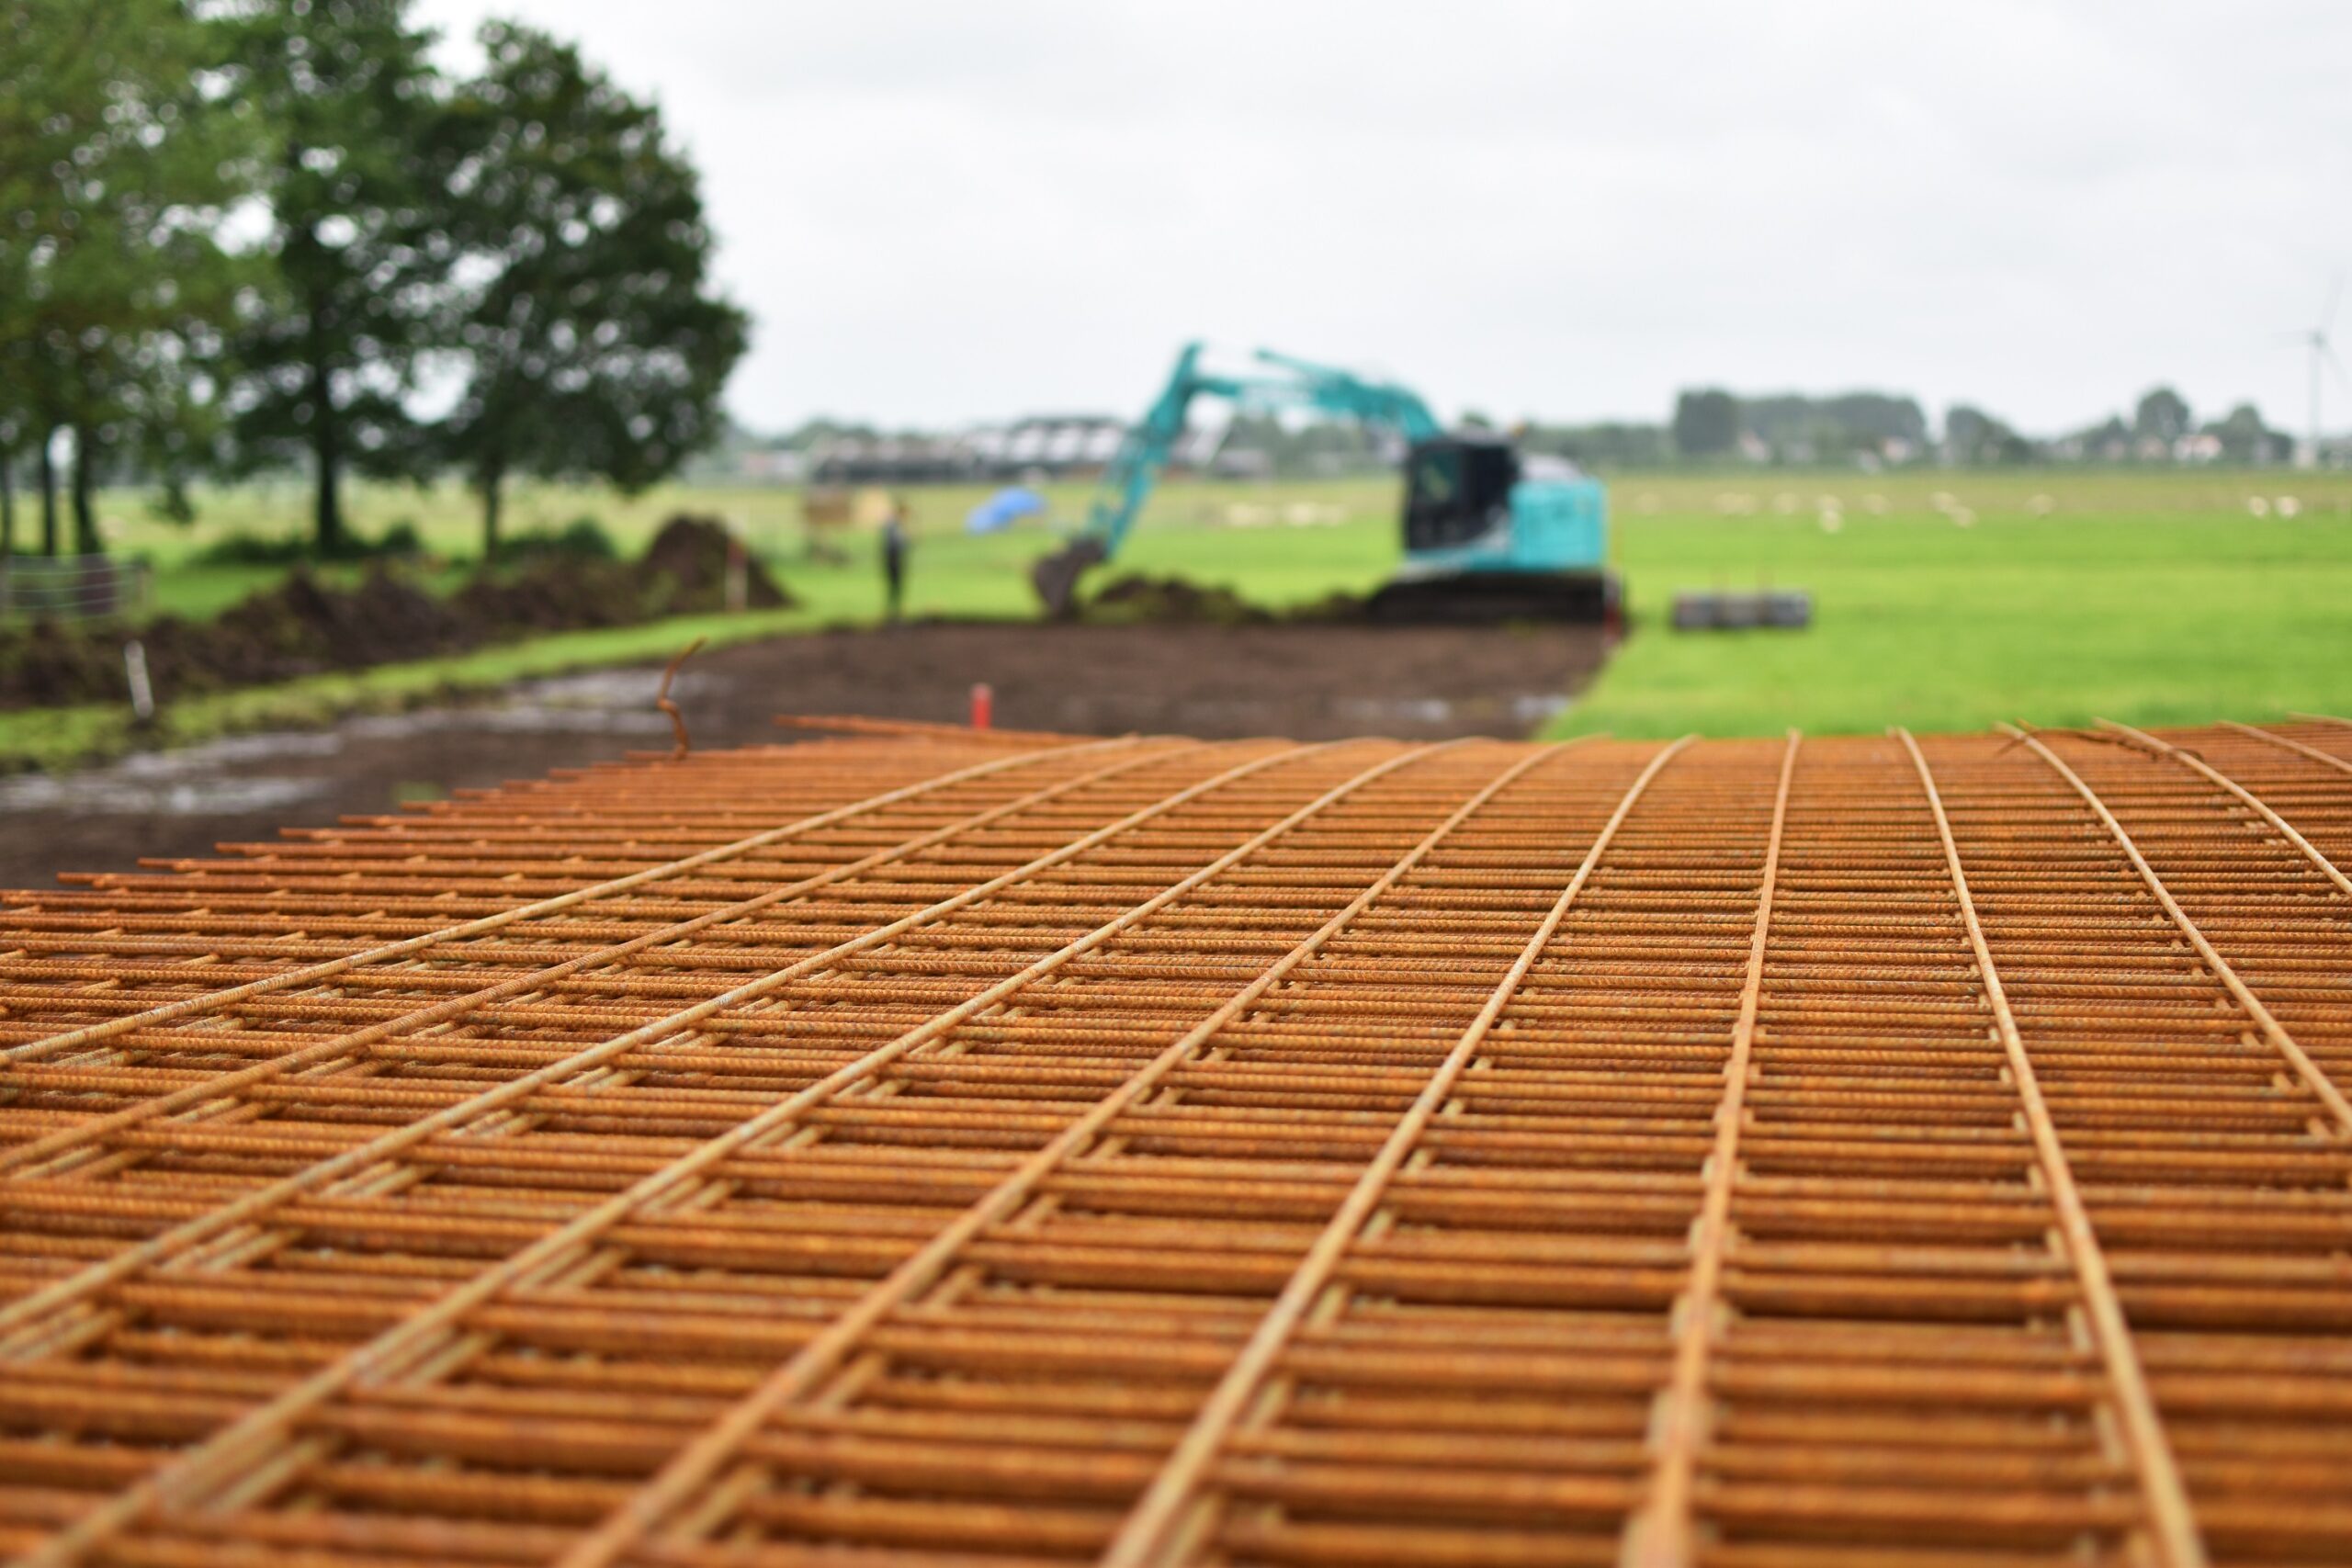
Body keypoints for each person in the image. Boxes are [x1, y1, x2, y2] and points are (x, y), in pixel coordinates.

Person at [880, 499, 909, 623]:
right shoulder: (894, 526)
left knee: (896, 587)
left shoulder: (894, 525)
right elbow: (896, 543)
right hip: (893, 560)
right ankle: (893, 613)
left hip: (893, 559)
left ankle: (894, 611)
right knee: (895, 586)